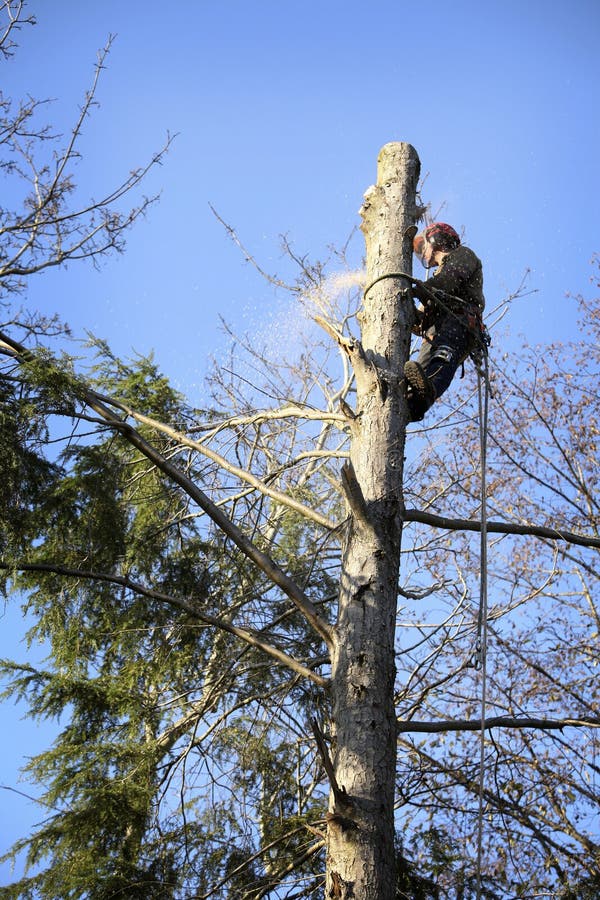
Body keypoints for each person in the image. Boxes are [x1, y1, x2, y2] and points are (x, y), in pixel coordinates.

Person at [404, 222, 485, 422]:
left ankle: (429, 391)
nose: (422, 253)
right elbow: (421, 319)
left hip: (460, 321)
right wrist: (409, 310)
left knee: (443, 354)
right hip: (435, 331)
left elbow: (450, 279)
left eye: (423, 247)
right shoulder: (436, 277)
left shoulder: (463, 255)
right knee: (419, 369)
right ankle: (410, 404)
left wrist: (421, 289)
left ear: (437, 238)